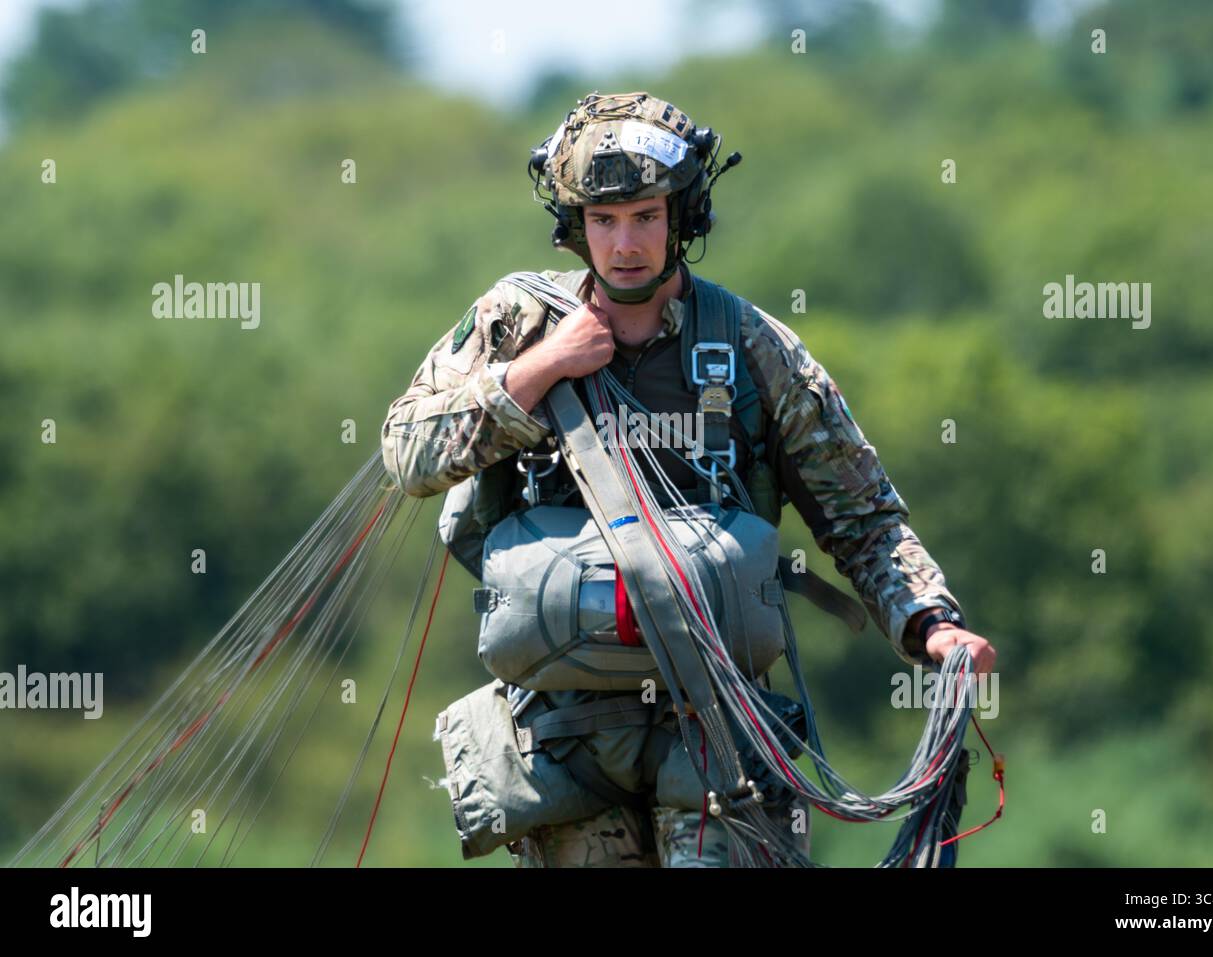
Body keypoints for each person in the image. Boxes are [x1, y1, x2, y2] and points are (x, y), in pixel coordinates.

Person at [380, 91, 996, 867]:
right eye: (603, 220)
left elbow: (861, 515)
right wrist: (537, 372)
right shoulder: (517, 322)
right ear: (575, 227)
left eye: (644, 215)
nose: (625, 242)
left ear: (683, 216)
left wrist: (929, 623)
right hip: (565, 739)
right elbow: (407, 450)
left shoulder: (750, 346)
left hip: (719, 737)